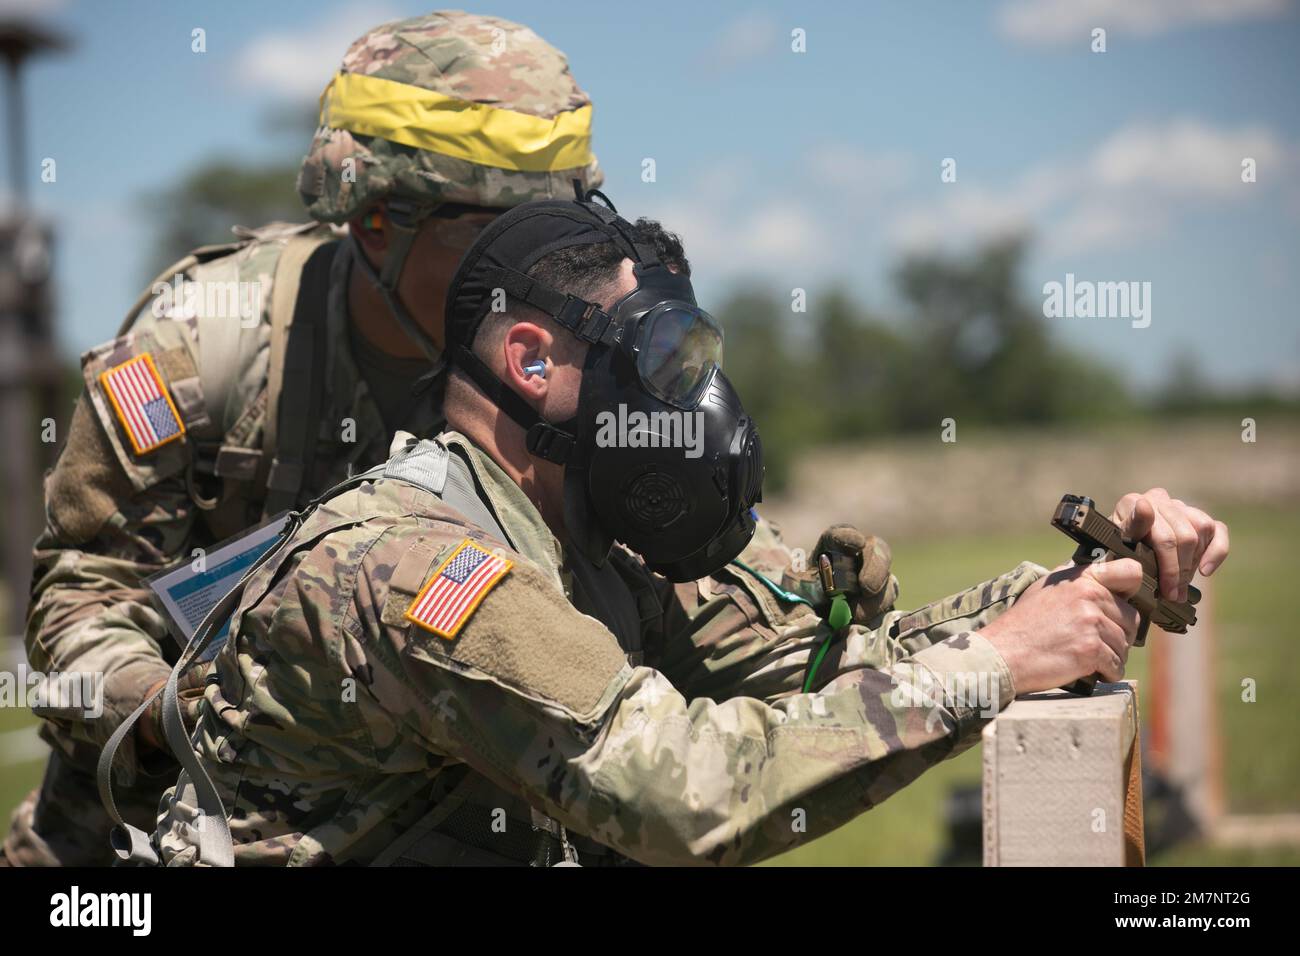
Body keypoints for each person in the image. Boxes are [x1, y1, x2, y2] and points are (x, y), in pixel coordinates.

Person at [3, 8, 887, 868]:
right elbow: (79, 602)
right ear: (376, 223)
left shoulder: (548, 357)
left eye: (568, 215)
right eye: (498, 229)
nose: (547, 251)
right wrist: (177, 703)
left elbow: (641, 526)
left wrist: (792, 588)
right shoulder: (204, 350)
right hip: (136, 825)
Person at [144, 195, 1229, 866]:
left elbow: (842, 673)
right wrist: (994, 665)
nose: (680, 399)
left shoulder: (585, 545)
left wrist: (1096, 570)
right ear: (529, 361)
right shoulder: (419, 561)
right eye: (651, 360)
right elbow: (676, 793)